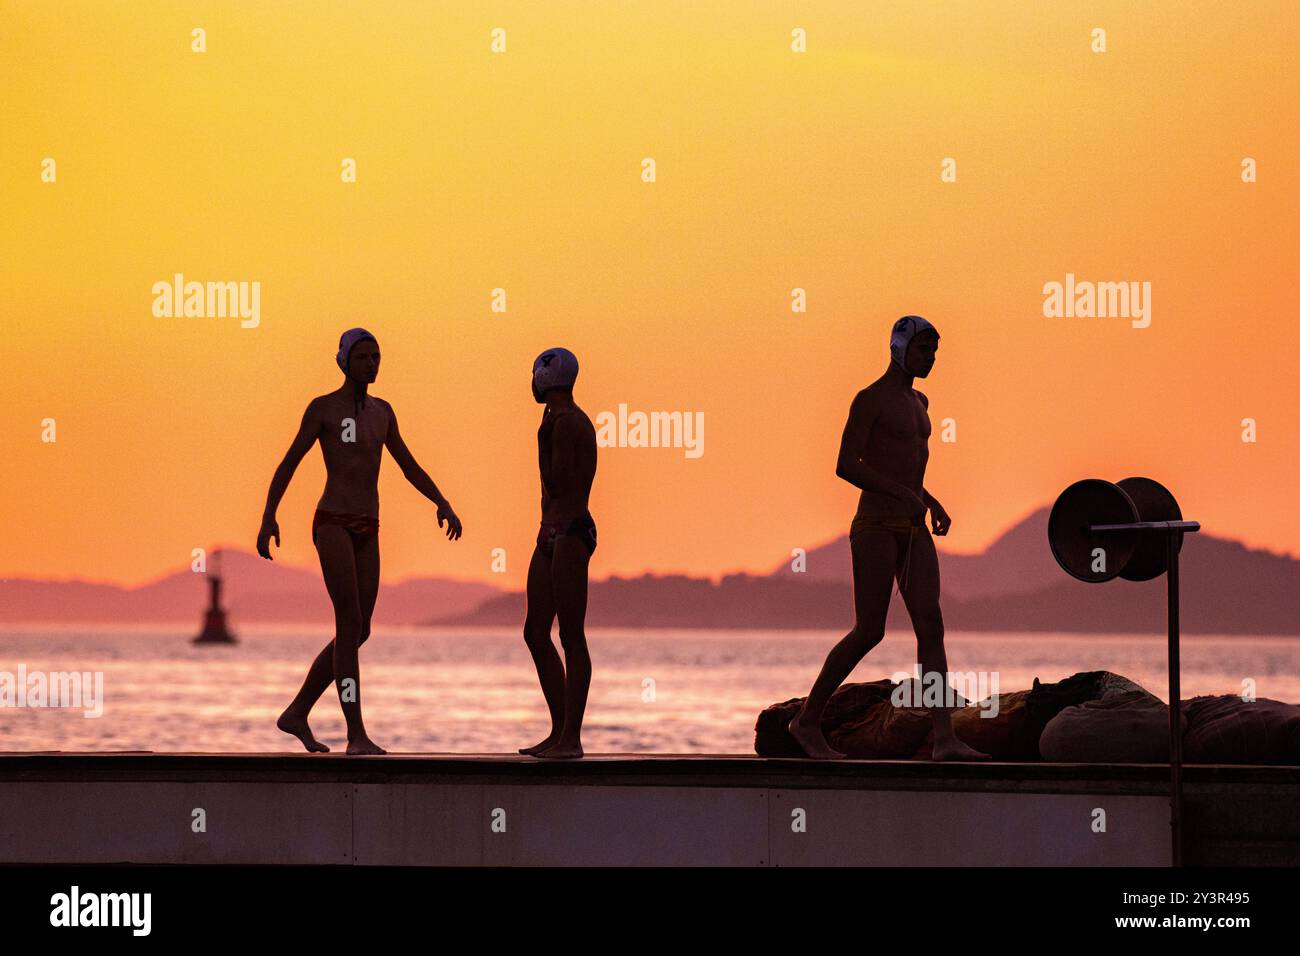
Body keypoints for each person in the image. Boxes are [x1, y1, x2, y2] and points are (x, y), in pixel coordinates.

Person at [788, 316, 990, 761]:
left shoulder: (920, 401)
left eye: (934, 352)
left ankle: (943, 739)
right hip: (876, 527)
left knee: (931, 624)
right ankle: (806, 720)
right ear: (899, 349)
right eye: (923, 351)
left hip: (914, 527)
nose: (930, 359)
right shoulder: (870, 400)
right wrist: (902, 494)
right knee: (869, 630)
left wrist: (931, 500)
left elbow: (907, 468)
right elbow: (847, 464)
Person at [257, 328, 462, 755]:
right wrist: (268, 516)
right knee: (348, 625)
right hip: (332, 522)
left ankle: (297, 711)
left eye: (377, 356)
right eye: (364, 356)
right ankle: (356, 734)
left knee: (360, 629)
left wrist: (441, 501)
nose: (372, 363)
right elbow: (288, 462)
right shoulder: (323, 409)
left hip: (369, 526)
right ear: (345, 361)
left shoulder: (383, 413)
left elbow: (408, 465)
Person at [519, 347, 598, 759]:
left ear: (546, 378)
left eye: (533, 375)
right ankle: (558, 729)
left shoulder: (565, 424)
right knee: (535, 632)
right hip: (548, 533)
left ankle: (571, 738)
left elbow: (559, 481)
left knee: (570, 635)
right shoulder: (554, 421)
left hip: (570, 532)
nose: (529, 382)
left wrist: (543, 440)